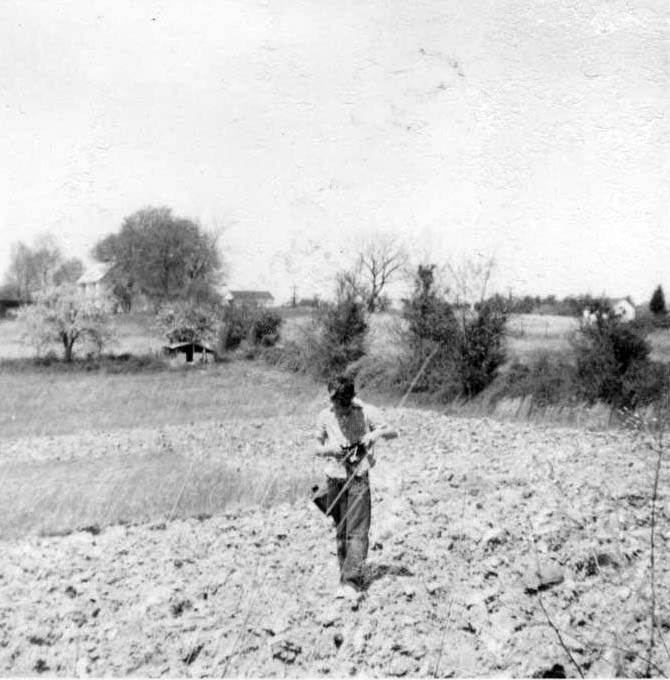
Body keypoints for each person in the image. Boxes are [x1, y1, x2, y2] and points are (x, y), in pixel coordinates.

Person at [313, 374, 397, 596]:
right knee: (341, 531)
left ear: (351, 399)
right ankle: (345, 576)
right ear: (332, 401)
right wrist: (330, 450)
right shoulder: (324, 415)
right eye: (337, 407)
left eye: (345, 407)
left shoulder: (366, 411)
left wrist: (373, 434)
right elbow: (316, 447)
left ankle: (352, 582)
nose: (341, 412)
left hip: (358, 477)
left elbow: (392, 432)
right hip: (334, 478)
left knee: (357, 532)